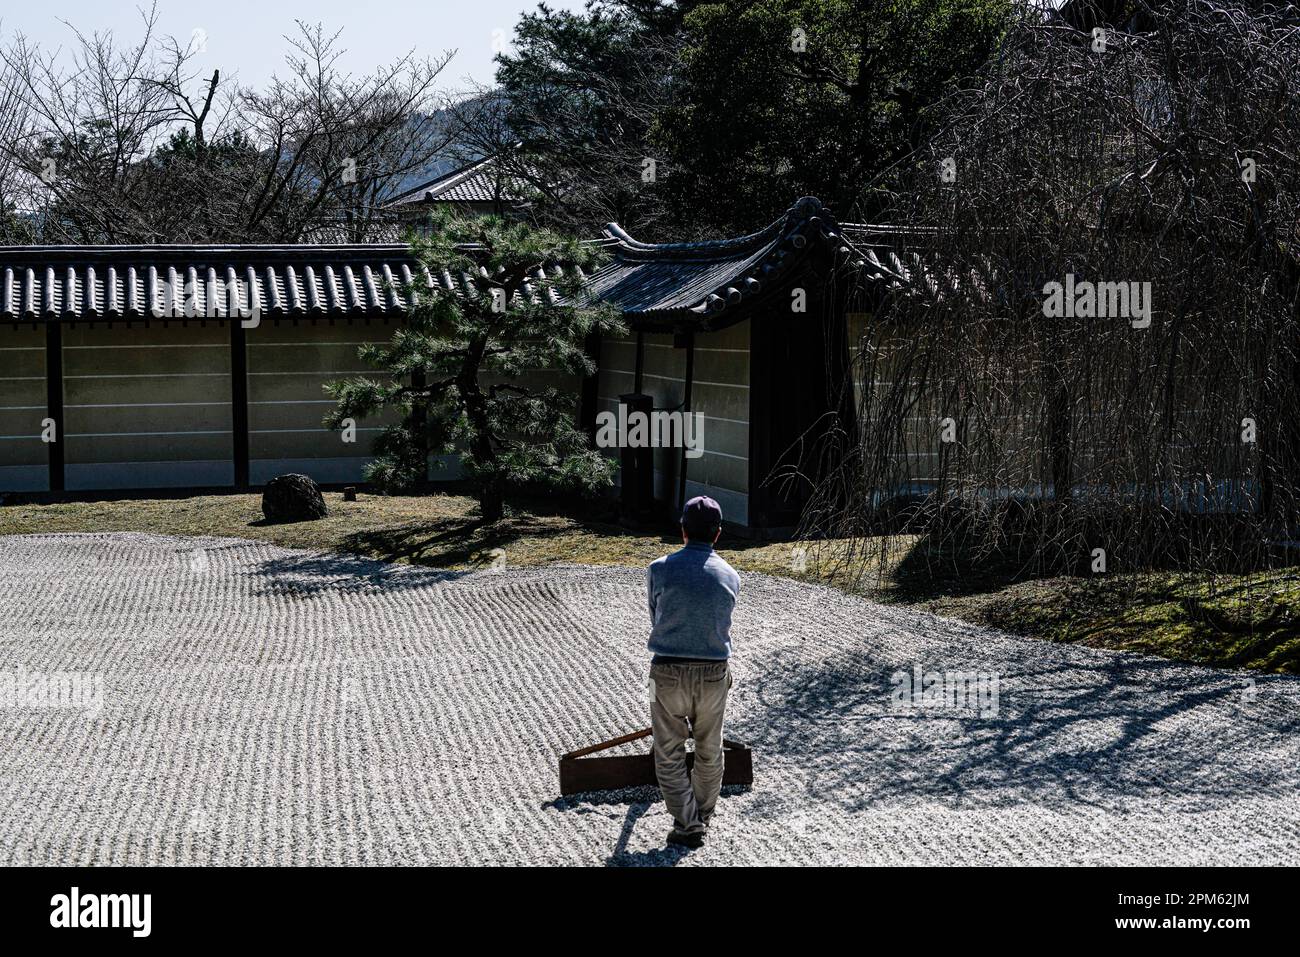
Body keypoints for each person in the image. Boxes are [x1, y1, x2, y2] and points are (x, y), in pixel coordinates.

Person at [646, 495, 741, 849]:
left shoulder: (659, 568)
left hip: (666, 670)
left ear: (682, 530)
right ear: (718, 534)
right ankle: (702, 815)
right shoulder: (731, 575)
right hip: (714, 672)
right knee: (709, 748)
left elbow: (655, 616)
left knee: (667, 750)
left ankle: (686, 823)